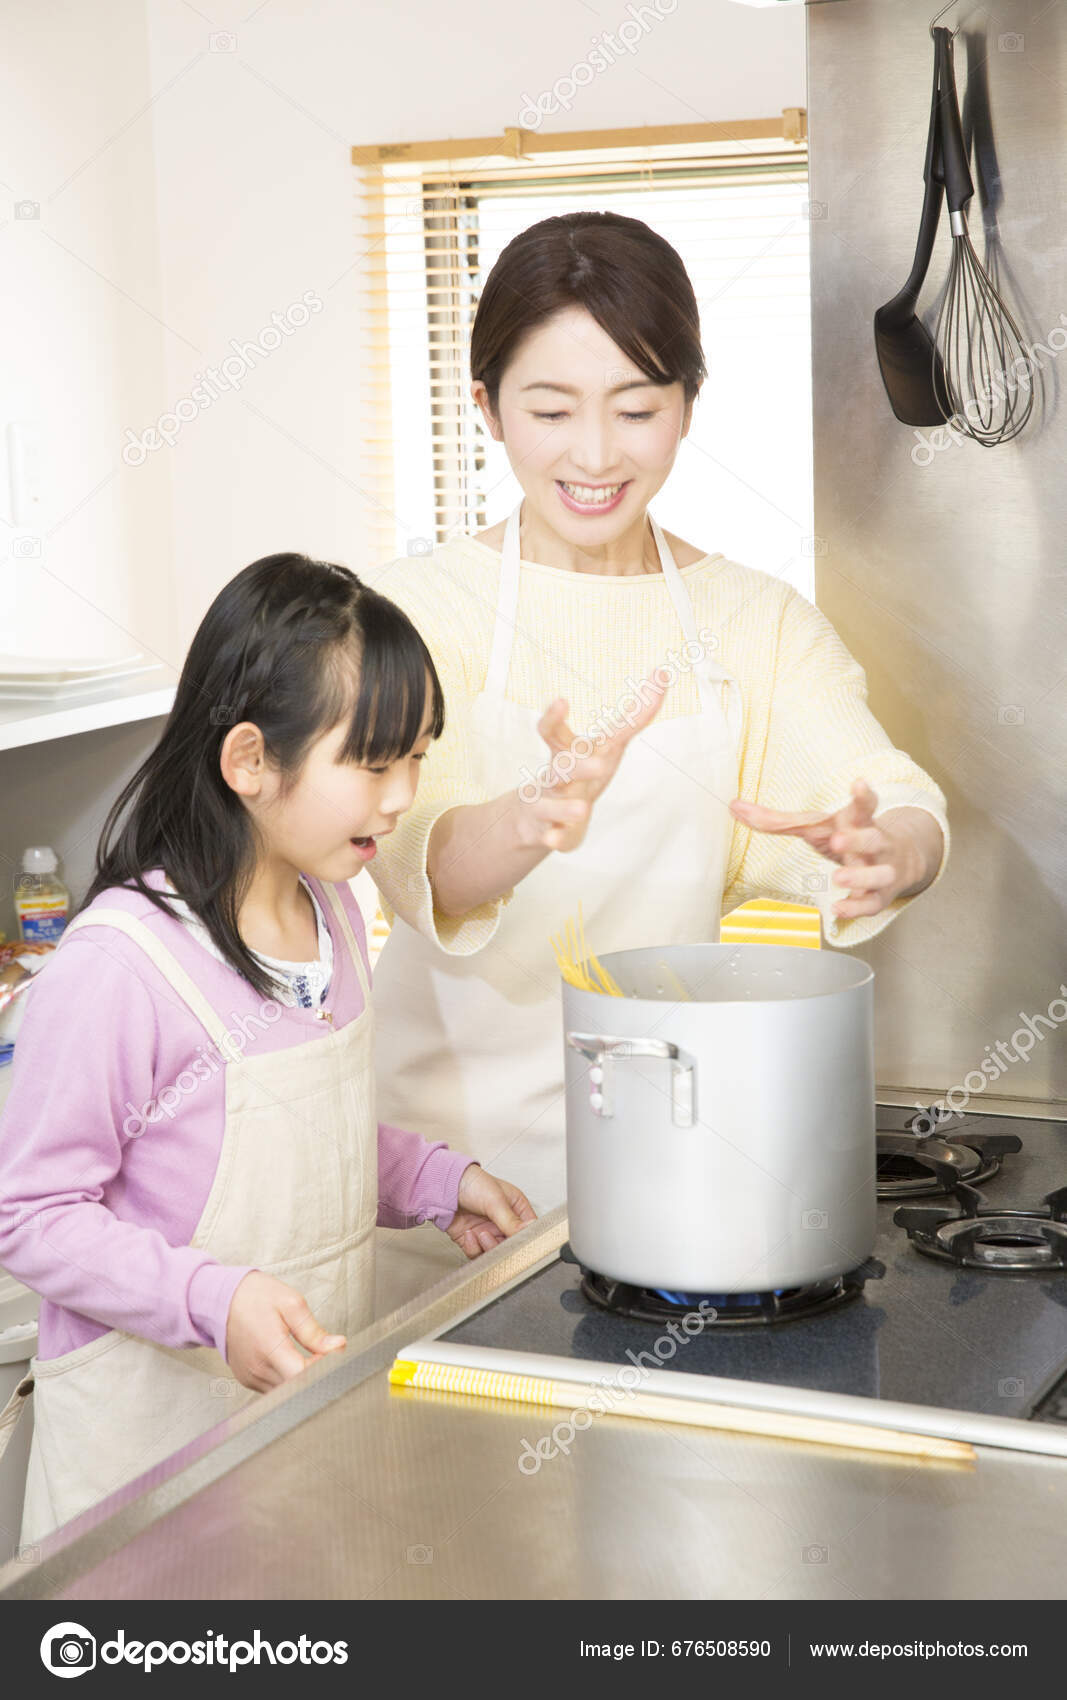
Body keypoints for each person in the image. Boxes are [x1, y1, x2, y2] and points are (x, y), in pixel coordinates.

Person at [365, 210, 948, 1224]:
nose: (595, 454)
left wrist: (890, 850)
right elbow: (421, 866)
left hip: (655, 1155)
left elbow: (896, 798)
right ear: (486, 408)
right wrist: (533, 815)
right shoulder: (410, 612)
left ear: (686, 404)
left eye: (635, 408)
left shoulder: (753, 622)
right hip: (438, 1177)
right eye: (551, 410)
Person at [0, 553, 534, 1545]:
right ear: (249, 761)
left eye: (417, 757)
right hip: (141, 1477)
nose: (401, 797)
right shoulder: (120, 966)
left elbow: (303, 1138)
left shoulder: (336, 913)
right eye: (372, 763)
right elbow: (29, 1214)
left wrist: (432, 1180)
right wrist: (214, 1300)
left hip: (292, 1456)